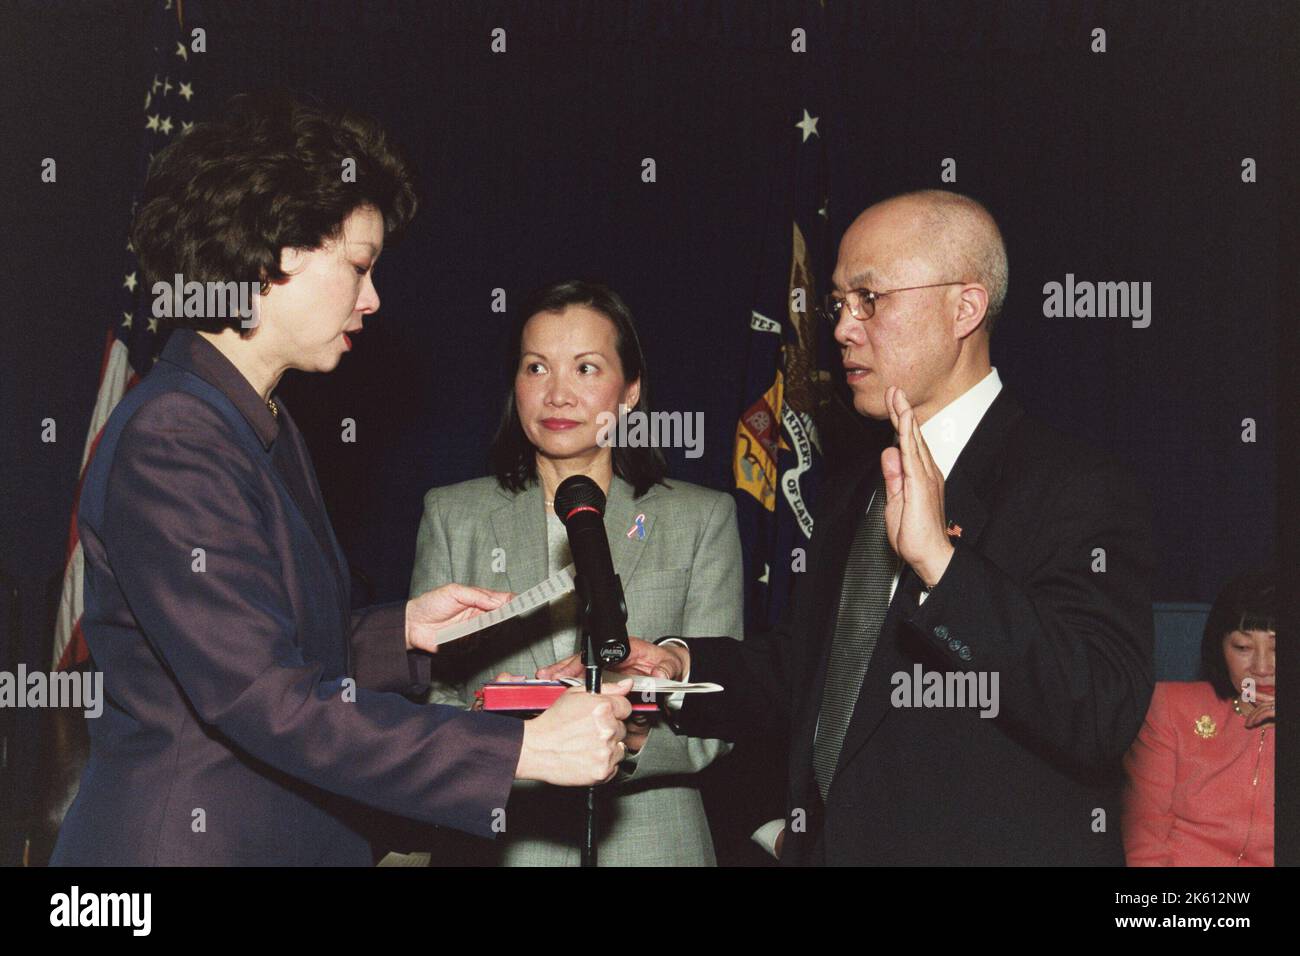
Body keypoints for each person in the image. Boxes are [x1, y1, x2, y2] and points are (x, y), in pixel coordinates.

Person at [51, 93, 630, 867]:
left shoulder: (262, 422)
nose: (373, 298)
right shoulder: (176, 437)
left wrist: (403, 632)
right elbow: (264, 699)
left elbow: (273, 647)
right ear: (269, 256)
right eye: (359, 266)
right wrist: (516, 749)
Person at [543, 189, 1156, 865]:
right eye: (838, 304)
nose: (841, 328)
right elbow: (808, 673)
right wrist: (678, 667)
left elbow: (1099, 711)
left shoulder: (1075, 485)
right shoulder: (852, 491)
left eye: (870, 299)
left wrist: (943, 569)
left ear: (966, 307)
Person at [392, 280, 743, 866]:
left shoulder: (701, 518)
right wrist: (499, 739)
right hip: (503, 843)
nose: (557, 394)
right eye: (536, 368)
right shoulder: (453, 514)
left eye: (585, 368)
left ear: (629, 391)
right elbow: (431, 700)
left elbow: (717, 716)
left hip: (652, 844)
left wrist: (625, 738)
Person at [1122, 571, 1275, 866]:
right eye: (1242, 647)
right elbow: (1145, 833)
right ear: (1219, 647)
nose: (1262, 666)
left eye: (1278, 648)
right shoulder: (1170, 706)